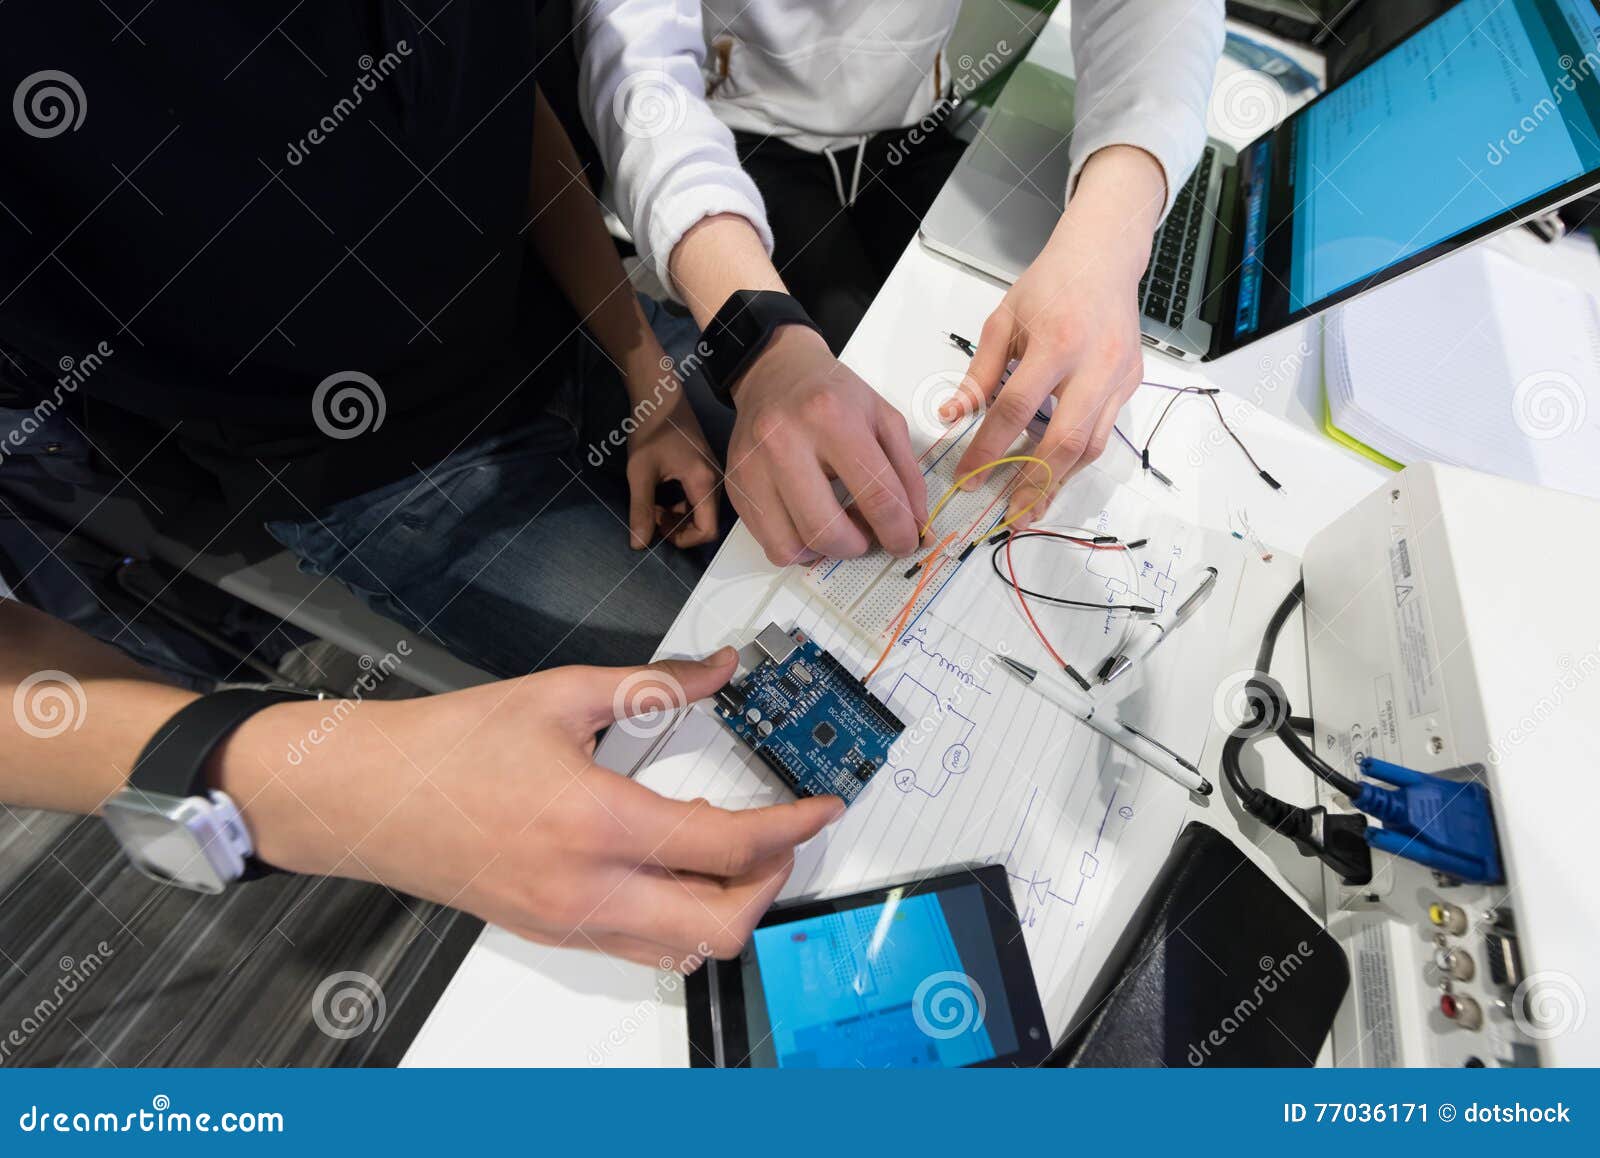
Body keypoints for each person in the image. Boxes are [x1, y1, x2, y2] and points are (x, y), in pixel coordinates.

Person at [0, 3, 837, 966]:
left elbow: (503, 113)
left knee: (845, 575)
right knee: (739, 742)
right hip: (372, 471)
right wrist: (338, 786)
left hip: (571, 321)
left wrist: (641, 366)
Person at [577, 0, 1224, 537]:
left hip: (913, 117)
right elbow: (640, 72)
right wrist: (760, 341)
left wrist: (1108, 240)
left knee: (1030, 398)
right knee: (867, 457)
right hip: (739, 143)